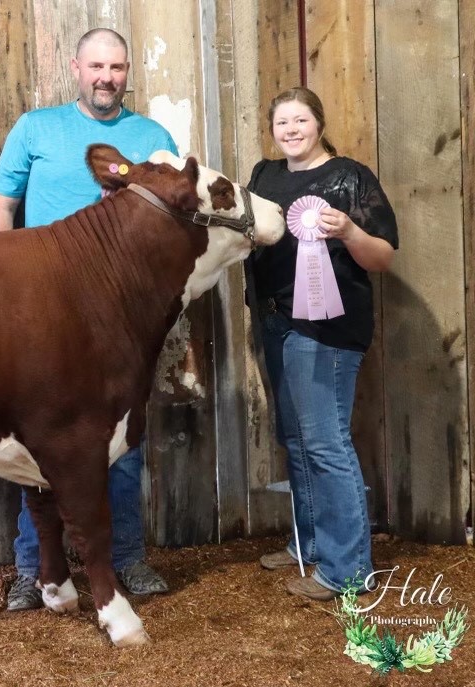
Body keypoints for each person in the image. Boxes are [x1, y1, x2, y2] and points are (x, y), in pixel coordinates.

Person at [0, 27, 176, 611]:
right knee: (34, 437)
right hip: (44, 312)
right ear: (75, 67)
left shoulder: (152, 137)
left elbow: (174, 218)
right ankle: (31, 567)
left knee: (122, 439)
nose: (106, 78)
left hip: (122, 316)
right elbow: (2, 207)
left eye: (116, 68)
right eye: (96, 66)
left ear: (127, 72)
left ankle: (126, 558)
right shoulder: (35, 128)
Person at [246, 87, 398, 601]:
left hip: (326, 330)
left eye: (300, 121)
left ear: (319, 123)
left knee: (326, 443)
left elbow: (381, 258)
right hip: (273, 322)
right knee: (297, 440)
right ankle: (308, 543)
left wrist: (351, 230)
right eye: (282, 122)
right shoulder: (263, 177)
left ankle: (347, 569)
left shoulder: (349, 176)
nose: (290, 130)